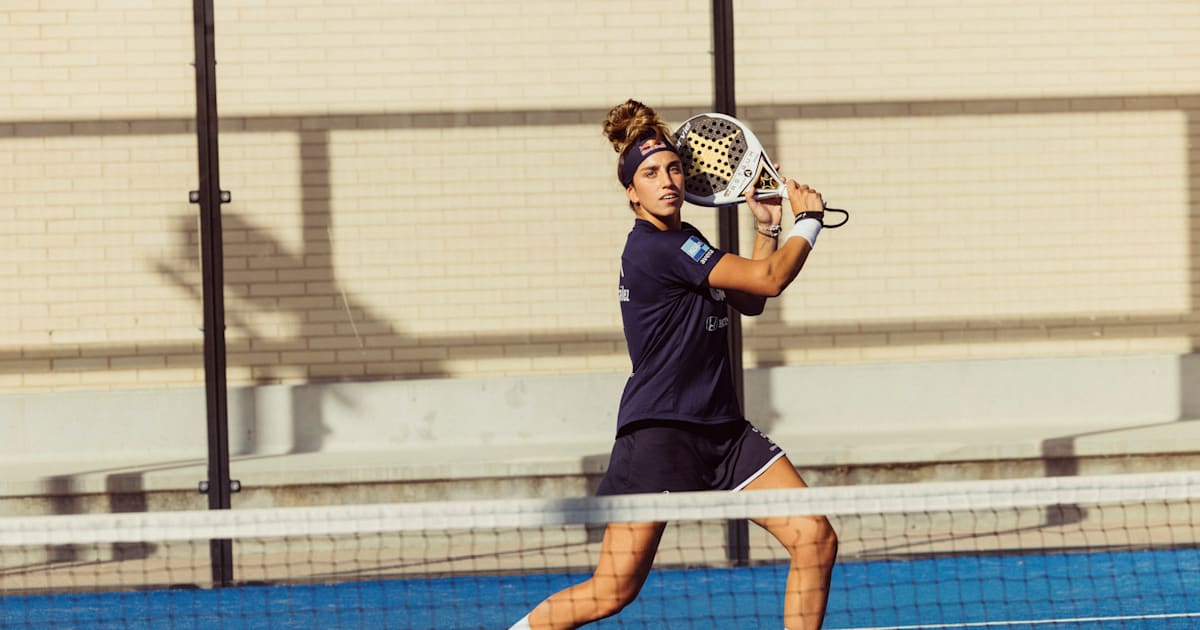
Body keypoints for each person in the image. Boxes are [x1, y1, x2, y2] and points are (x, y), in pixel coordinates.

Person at [509, 99, 838, 630]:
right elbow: (770, 281)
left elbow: (749, 300)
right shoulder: (656, 249)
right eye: (650, 173)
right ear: (630, 192)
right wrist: (810, 221)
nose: (667, 181)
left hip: (725, 433)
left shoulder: (687, 242)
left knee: (815, 538)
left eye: (674, 168)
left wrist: (770, 229)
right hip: (660, 436)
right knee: (611, 592)